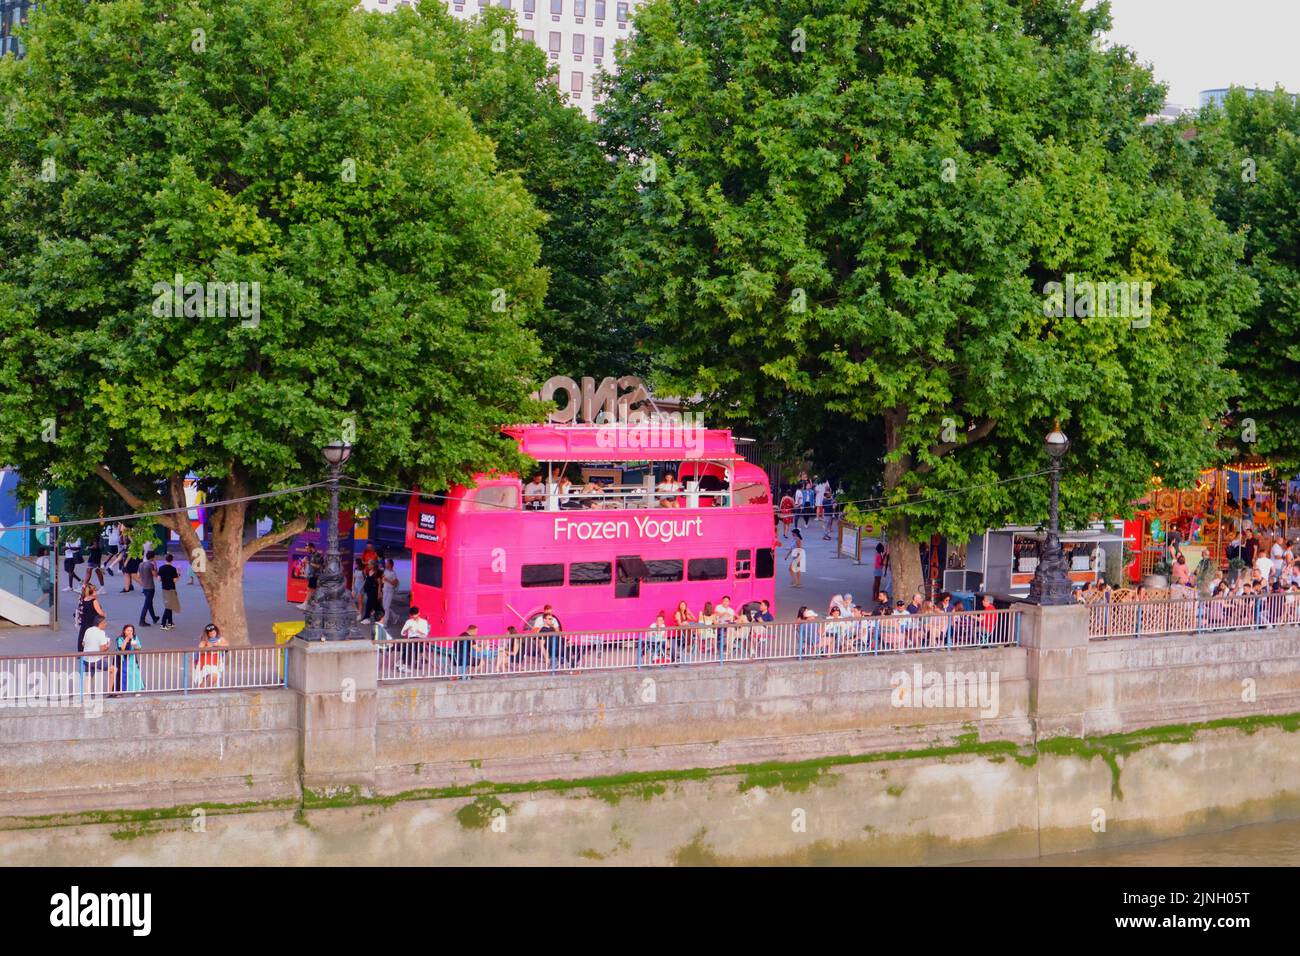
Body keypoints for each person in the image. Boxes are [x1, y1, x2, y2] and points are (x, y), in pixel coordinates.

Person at [81, 614, 116, 697]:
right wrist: (108, 645)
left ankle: (87, 694)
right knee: (113, 669)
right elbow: (102, 649)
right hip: (96, 660)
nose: (106, 624)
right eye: (105, 623)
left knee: (89, 675)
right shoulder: (101, 633)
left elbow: (83, 644)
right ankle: (110, 691)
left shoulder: (88, 630)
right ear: (101, 623)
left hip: (86, 658)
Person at [193, 623, 228, 689]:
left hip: (215, 662)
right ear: (207, 634)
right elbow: (199, 651)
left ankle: (208, 689)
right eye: (210, 632)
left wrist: (217, 644)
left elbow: (227, 645)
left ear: (216, 631)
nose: (212, 633)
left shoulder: (220, 639)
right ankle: (203, 692)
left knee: (214, 676)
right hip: (204, 663)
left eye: (214, 631)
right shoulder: (204, 642)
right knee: (203, 679)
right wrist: (208, 647)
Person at [75, 583, 106, 652]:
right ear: (92, 592)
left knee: (83, 634)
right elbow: (100, 612)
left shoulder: (85, 599)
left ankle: (81, 650)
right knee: (93, 634)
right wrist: (104, 614)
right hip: (92, 620)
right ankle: (93, 648)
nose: (96, 592)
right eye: (95, 591)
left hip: (85, 620)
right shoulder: (94, 601)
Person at [398, 606, 429, 673]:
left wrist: (418, 631)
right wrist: (407, 629)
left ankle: (405, 664)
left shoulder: (424, 622)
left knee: (413, 644)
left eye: (415, 616)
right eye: (413, 616)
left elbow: (425, 634)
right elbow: (402, 633)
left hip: (420, 639)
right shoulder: (409, 622)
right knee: (411, 644)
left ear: (419, 613)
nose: (414, 617)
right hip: (411, 639)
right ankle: (420, 658)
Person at [116, 624, 144, 694]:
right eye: (128, 630)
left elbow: (139, 647)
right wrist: (126, 640)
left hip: (132, 659)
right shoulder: (120, 638)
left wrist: (134, 643)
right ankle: (125, 690)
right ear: (124, 631)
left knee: (136, 674)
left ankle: (137, 690)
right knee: (126, 674)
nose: (129, 632)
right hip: (123, 660)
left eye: (131, 630)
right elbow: (122, 649)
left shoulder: (135, 637)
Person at [137, 551, 160, 627]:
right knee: (147, 604)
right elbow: (155, 575)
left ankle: (154, 618)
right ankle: (142, 620)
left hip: (144, 587)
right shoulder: (150, 565)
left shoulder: (141, 564)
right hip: (150, 587)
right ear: (153, 557)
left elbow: (139, 576)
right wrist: (156, 567)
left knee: (149, 603)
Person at [158, 553, 180, 630]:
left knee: (170, 605)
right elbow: (175, 580)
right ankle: (163, 623)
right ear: (172, 560)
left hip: (164, 588)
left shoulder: (161, 568)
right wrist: (179, 573)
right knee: (169, 606)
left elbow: (159, 579)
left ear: (165, 559)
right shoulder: (173, 569)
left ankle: (170, 622)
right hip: (171, 589)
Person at [381, 559, 400, 627]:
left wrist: (387, 580)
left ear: (390, 565)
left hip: (390, 591)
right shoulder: (385, 571)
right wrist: (383, 580)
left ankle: (385, 623)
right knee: (385, 606)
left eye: (387, 563)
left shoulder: (393, 573)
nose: (385, 564)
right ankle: (395, 616)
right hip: (385, 590)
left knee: (386, 607)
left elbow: (394, 584)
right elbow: (383, 578)